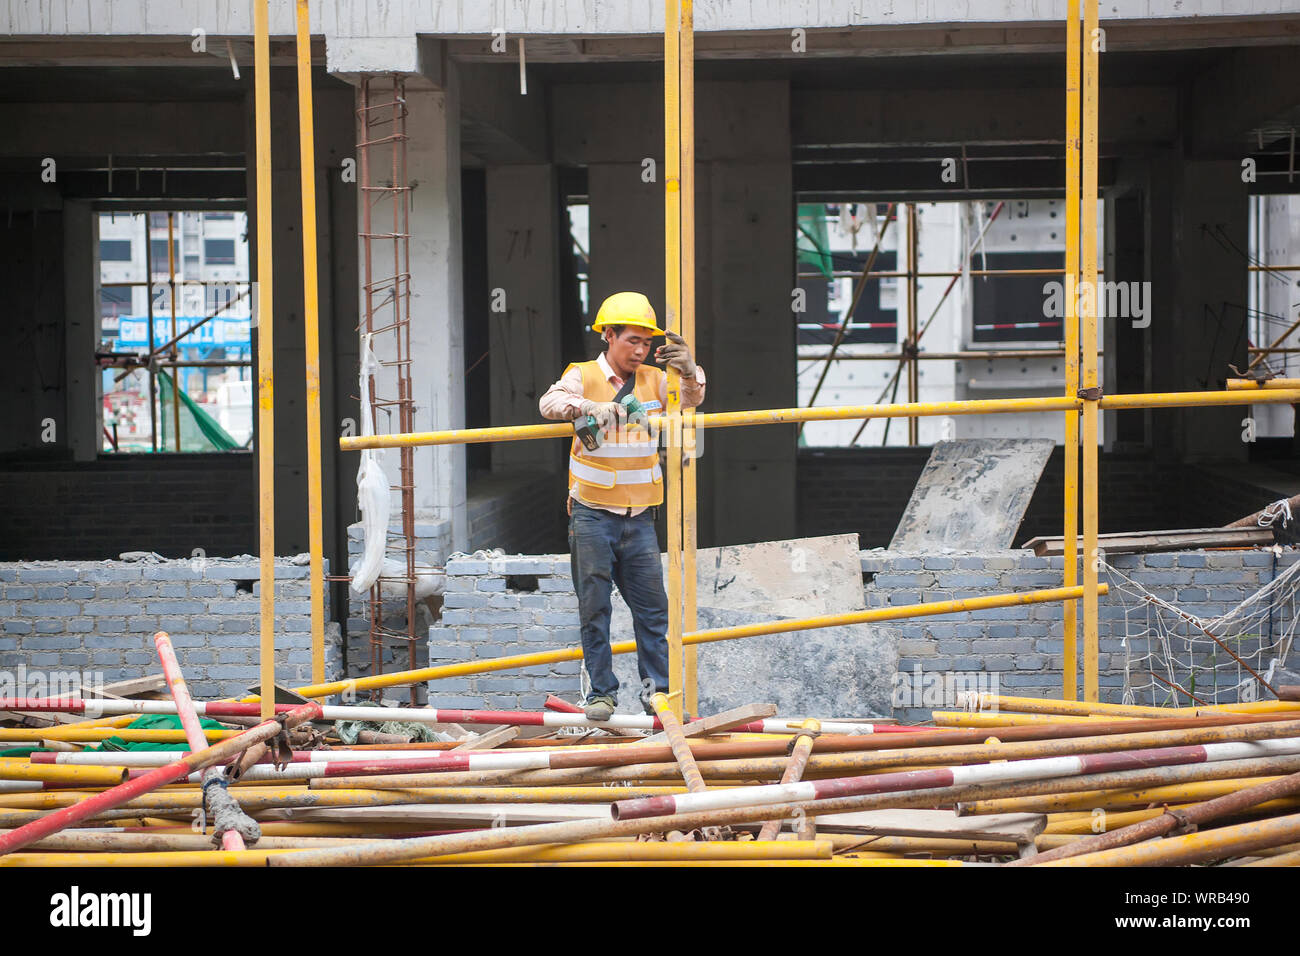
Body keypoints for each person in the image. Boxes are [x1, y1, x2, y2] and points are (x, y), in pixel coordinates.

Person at [538, 291, 706, 721]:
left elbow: (691, 400)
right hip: (593, 514)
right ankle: (602, 694)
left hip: (641, 519)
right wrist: (592, 406)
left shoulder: (655, 379)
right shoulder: (582, 375)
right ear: (608, 335)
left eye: (647, 343)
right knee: (595, 608)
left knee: (653, 614)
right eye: (632, 340)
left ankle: (658, 697)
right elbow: (550, 404)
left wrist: (690, 371)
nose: (641, 350)